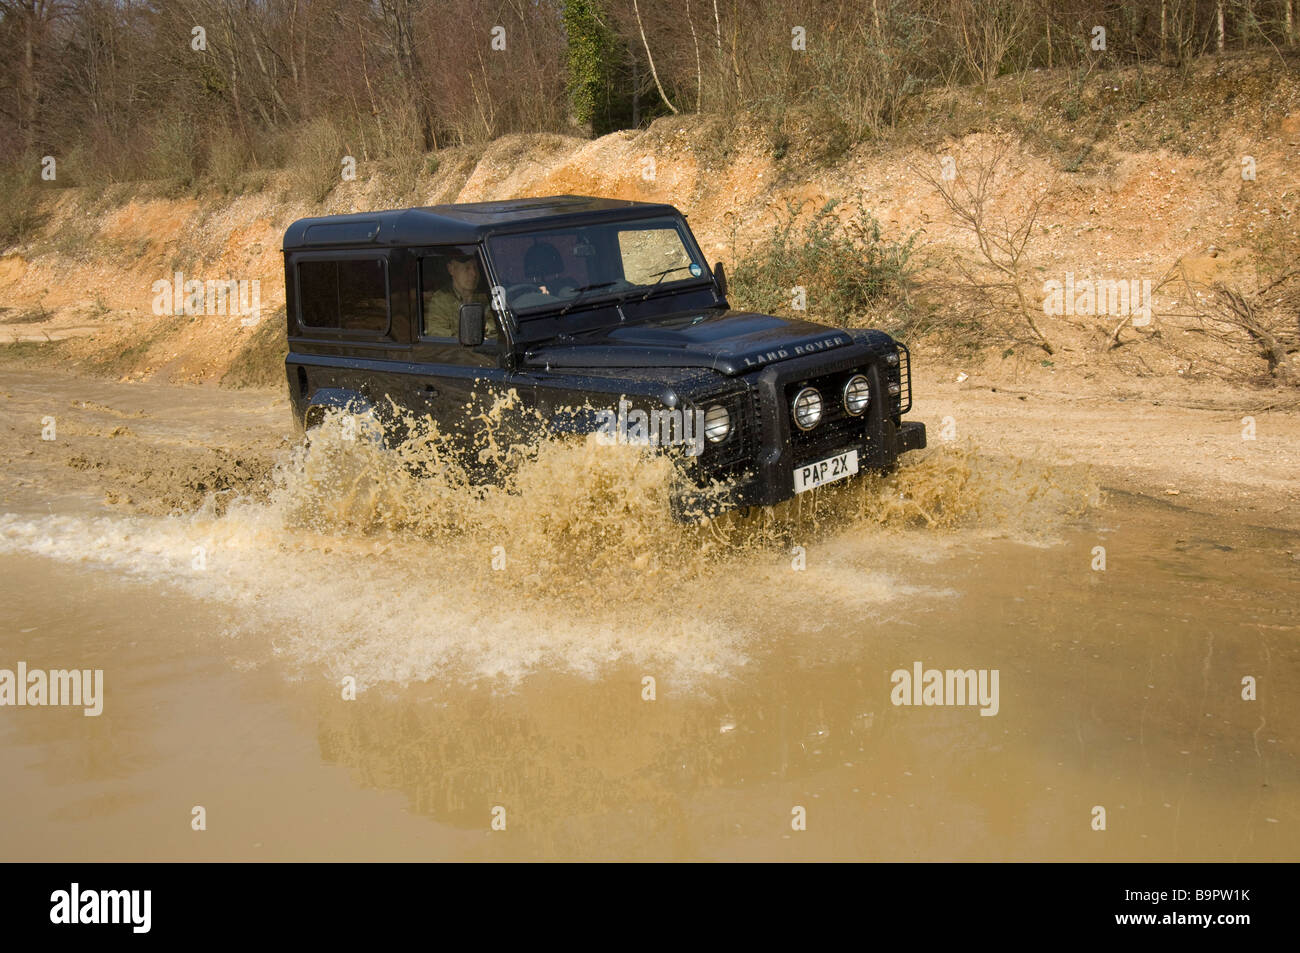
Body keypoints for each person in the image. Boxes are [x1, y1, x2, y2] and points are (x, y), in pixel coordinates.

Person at [423, 252, 492, 338]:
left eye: (476, 267)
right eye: (467, 268)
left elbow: (496, 332)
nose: (474, 273)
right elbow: (440, 338)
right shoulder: (441, 301)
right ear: (451, 269)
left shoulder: (486, 297)